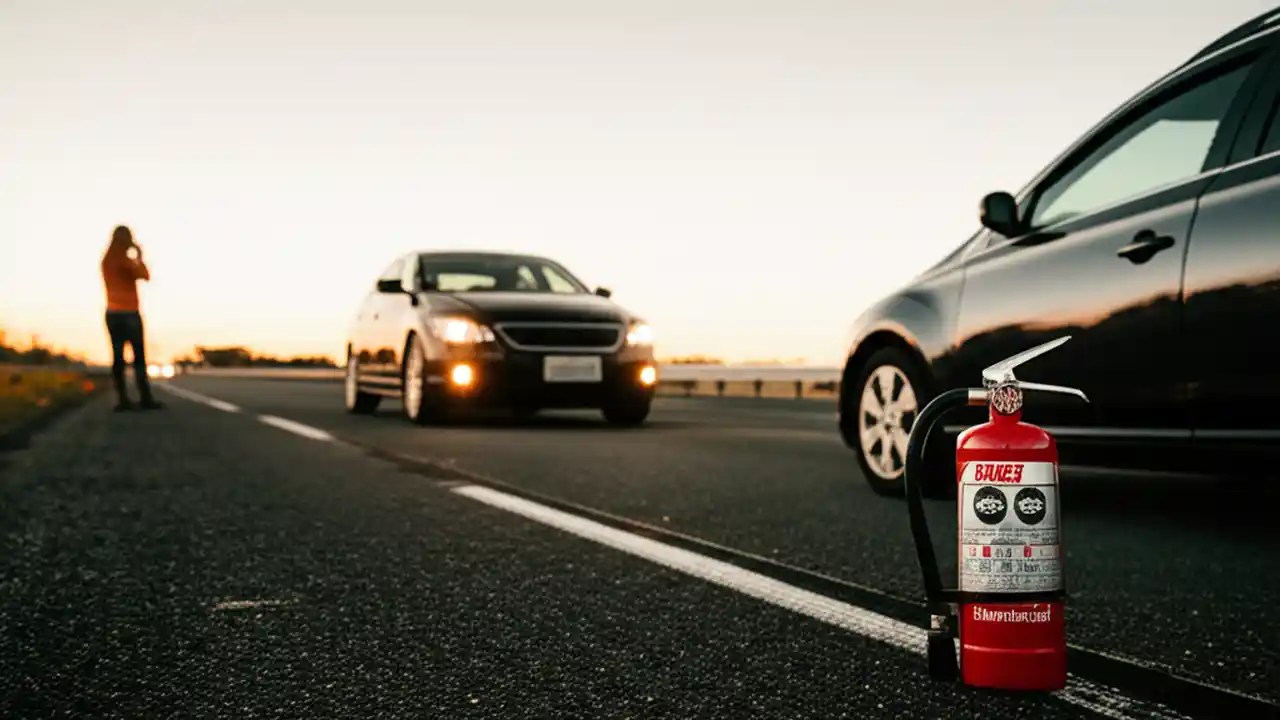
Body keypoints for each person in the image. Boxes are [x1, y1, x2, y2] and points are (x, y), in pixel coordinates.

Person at [101, 225, 161, 411]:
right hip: (129, 313)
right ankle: (145, 398)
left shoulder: (106, 261)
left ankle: (122, 399)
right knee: (138, 358)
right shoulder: (124, 261)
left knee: (118, 358)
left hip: (112, 313)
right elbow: (145, 275)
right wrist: (139, 255)